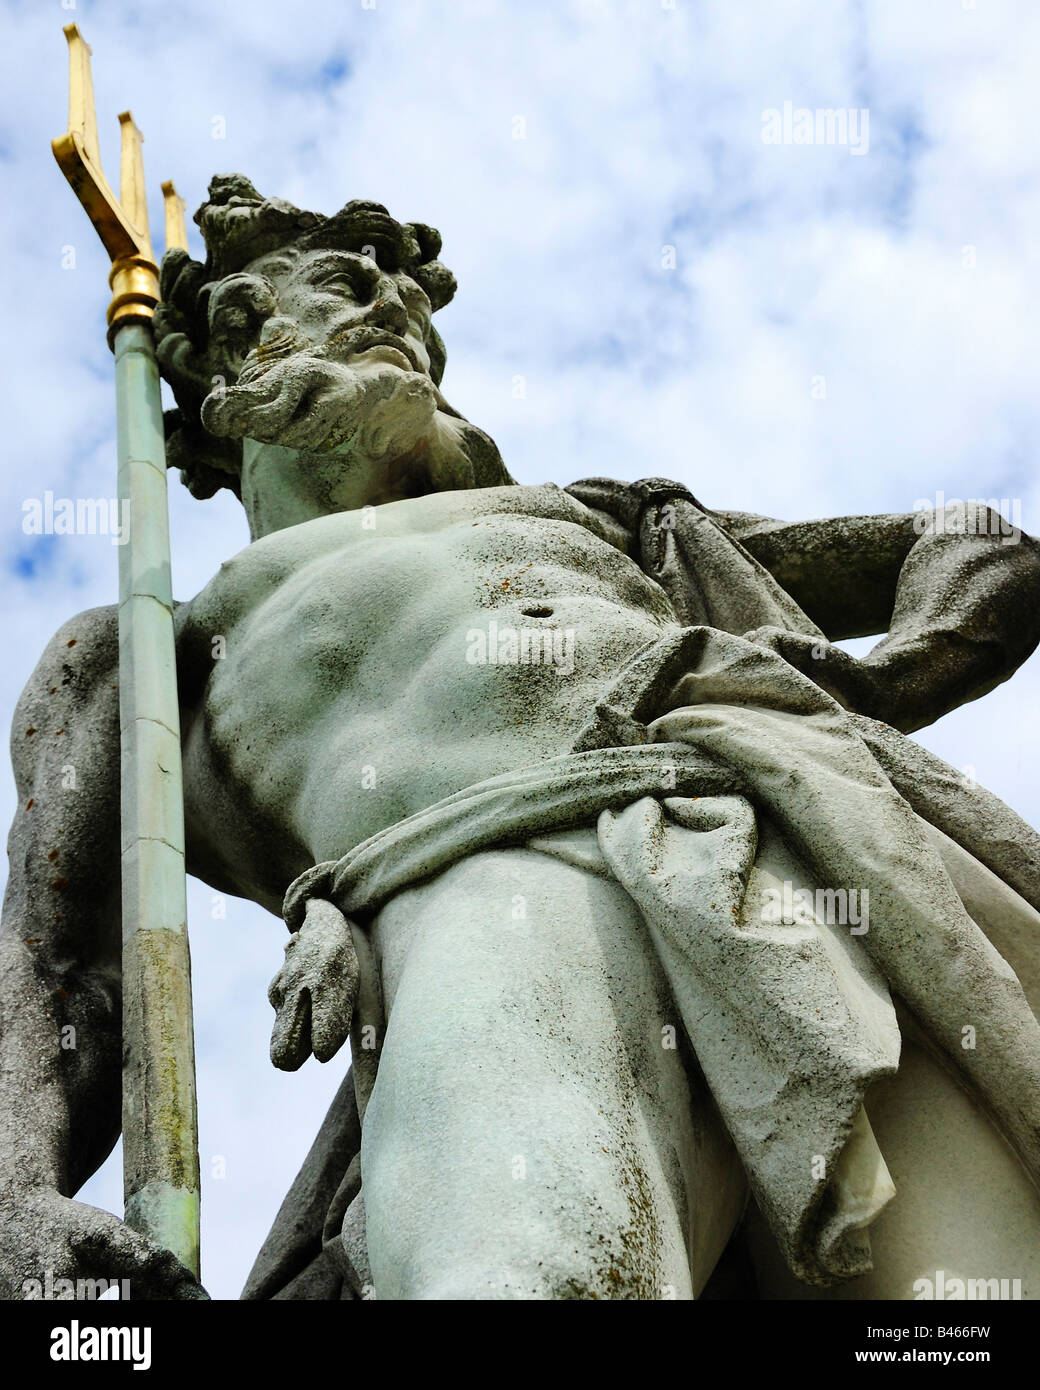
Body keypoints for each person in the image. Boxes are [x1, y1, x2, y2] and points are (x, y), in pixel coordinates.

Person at [2, 176, 1039, 1301]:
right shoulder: (151, 654)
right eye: (348, 290)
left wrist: (888, 668)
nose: (396, 321)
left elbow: (971, 540)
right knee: (533, 1274)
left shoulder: (604, 516)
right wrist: (17, 1188)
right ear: (234, 350)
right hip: (502, 890)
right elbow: (64, 969)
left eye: (409, 307)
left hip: (824, 850)